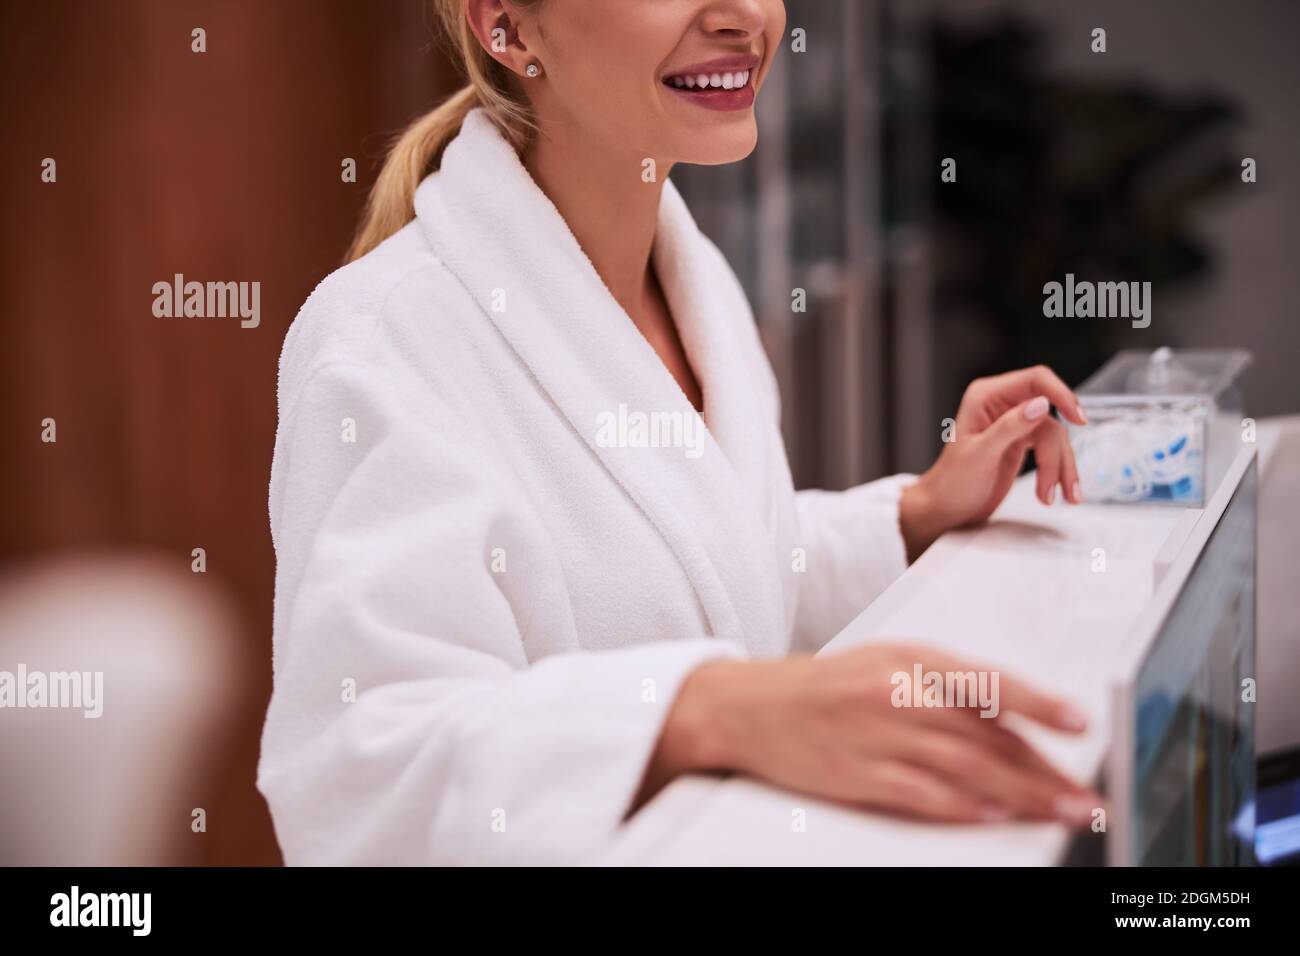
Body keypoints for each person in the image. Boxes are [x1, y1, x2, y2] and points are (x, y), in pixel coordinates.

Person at [257, 0, 1099, 865]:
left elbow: (719, 575)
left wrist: (916, 513)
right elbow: (363, 771)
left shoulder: (698, 288)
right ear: (505, 26)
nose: (742, 15)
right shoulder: (382, 340)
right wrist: (708, 710)